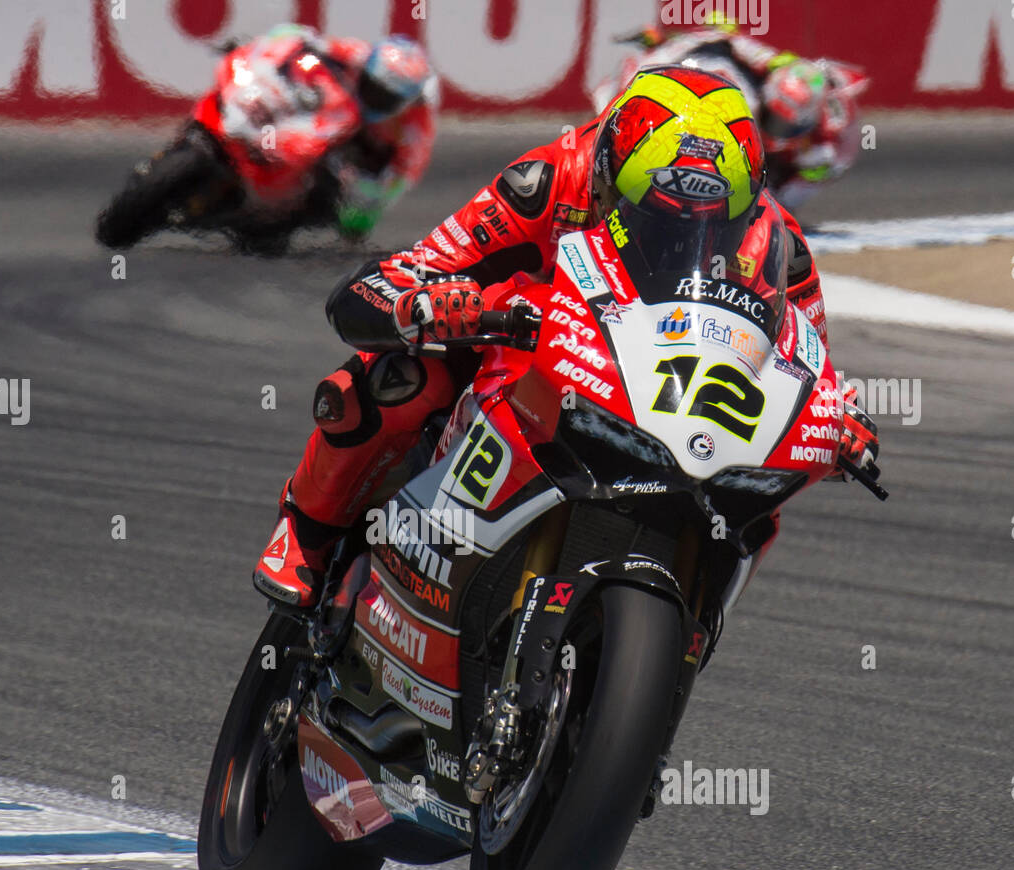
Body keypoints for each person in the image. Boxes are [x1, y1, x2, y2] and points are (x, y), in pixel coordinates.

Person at [253, 66, 878, 609]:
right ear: (609, 176)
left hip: (659, 384)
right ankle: (309, 532)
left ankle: (682, 631)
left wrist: (839, 417)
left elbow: (804, 357)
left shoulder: (777, 242)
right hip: (517, 348)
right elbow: (392, 279)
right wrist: (435, 303)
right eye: (657, 213)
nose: (683, 231)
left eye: (708, 219)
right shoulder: (548, 181)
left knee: (755, 505)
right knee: (401, 377)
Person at [592, 19, 867, 212]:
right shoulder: (748, 84)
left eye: (784, 124)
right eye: (776, 120)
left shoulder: (816, 140)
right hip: (672, 69)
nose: (778, 128)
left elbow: (729, 39)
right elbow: (722, 38)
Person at [212, 24, 438, 239]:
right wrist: (260, 46)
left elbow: (401, 178)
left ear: (405, 103)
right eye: (372, 86)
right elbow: (301, 36)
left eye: (386, 98)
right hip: (333, 111)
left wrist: (364, 206)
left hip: (363, 145)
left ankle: (286, 211)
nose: (374, 98)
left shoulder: (416, 126)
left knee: (351, 218)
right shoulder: (358, 54)